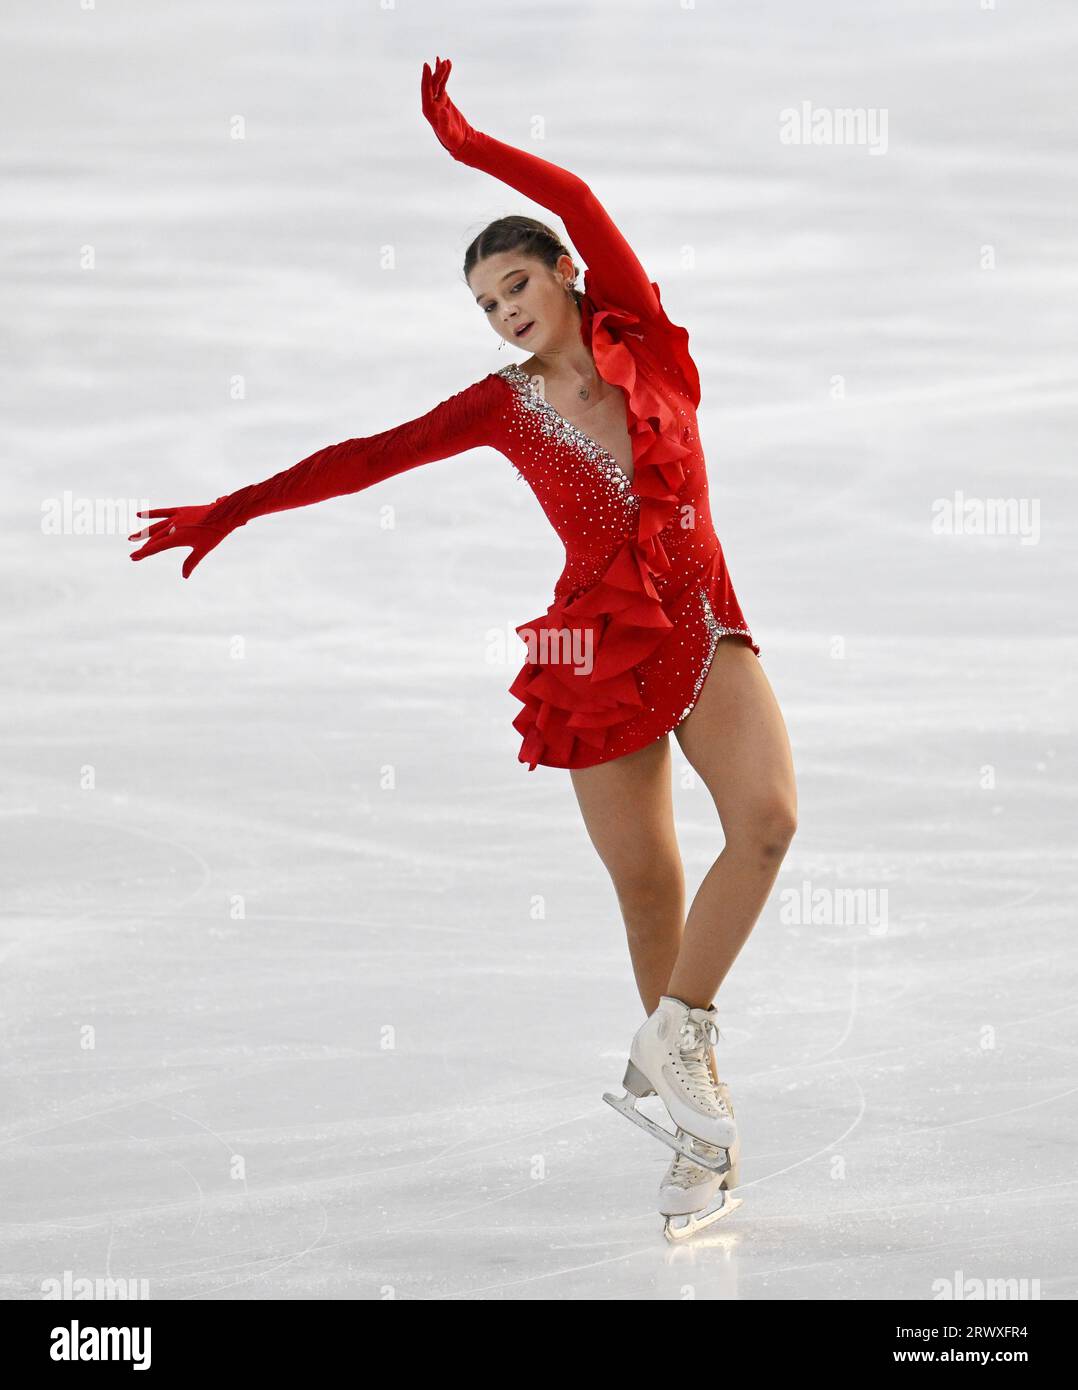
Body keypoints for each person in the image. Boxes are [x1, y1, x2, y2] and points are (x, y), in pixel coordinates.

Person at [129, 56, 797, 1235]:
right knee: (647, 888)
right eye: (486, 304)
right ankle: (699, 1139)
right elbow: (364, 456)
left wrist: (472, 145)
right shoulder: (498, 406)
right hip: (589, 653)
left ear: (563, 274)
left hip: (699, 625)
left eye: (516, 284)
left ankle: (675, 1037)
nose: (504, 311)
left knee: (769, 824)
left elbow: (580, 194)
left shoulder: (650, 339)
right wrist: (231, 507)